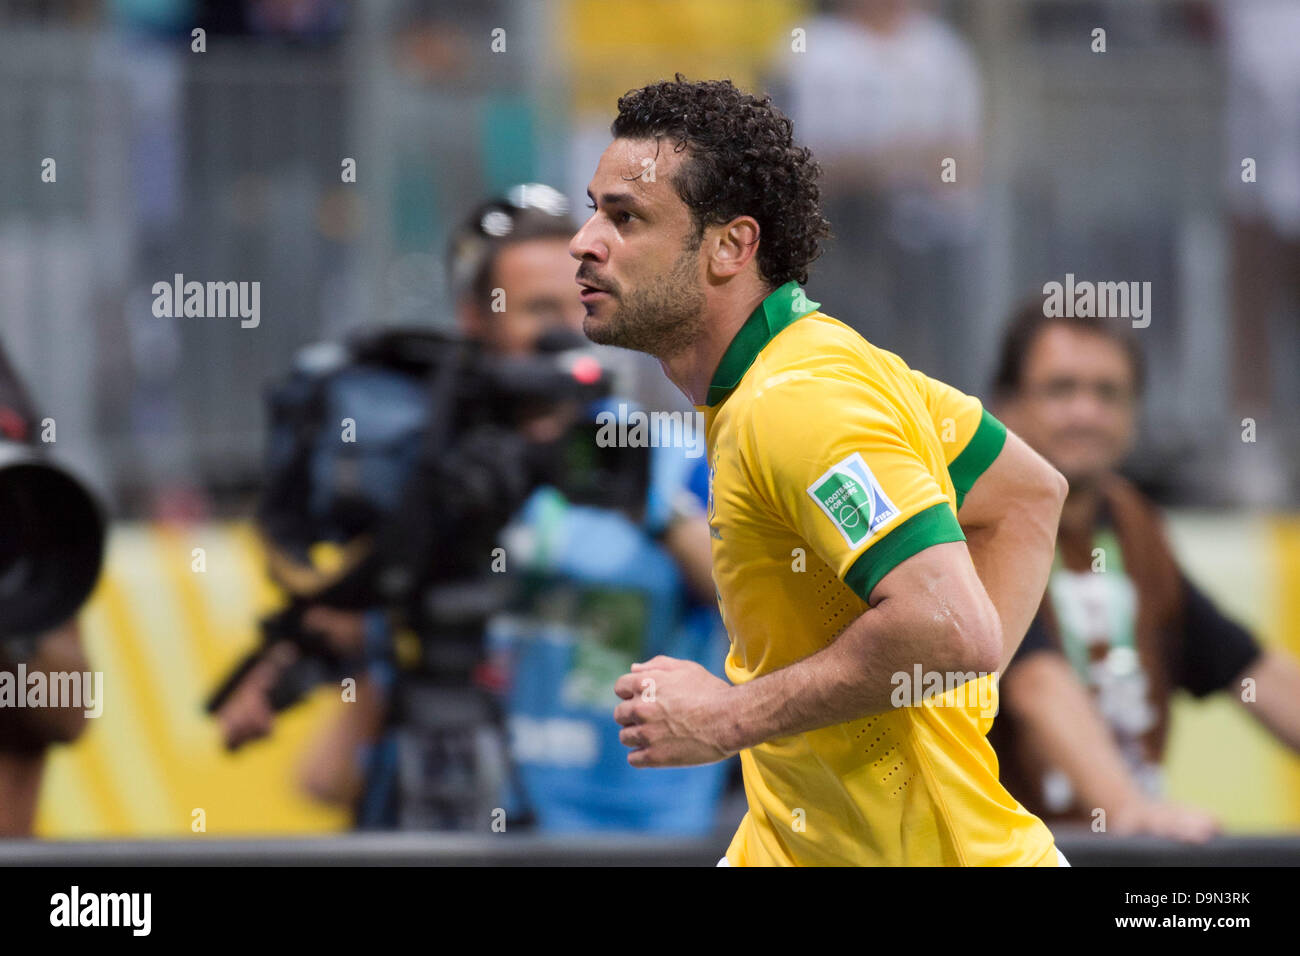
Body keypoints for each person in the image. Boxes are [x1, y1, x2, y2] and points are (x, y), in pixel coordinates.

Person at [571, 76, 1069, 866]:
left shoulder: (797, 402)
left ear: (731, 247)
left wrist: (727, 718)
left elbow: (951, 626)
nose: (584, 241)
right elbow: (1027, 496)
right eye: (594, 209)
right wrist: (937, 695)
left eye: (624, 217)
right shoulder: (801, 369)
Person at [287, 185, 732, 832]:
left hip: (636, 843)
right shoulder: (431, 464)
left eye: (582, 301)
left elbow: (758, 603)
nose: (566, 331)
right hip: (467, 824)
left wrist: (654, 511)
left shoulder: (671, 456)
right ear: (476, 316)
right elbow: (353, 641)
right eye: (540, 309)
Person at [987, 303, 1300, 841]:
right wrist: (1129, 809)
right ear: (1006, 407)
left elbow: (1247, 667)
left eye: (1108, 393)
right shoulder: (978, 520)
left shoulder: (1134, 523)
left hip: (1116, 852)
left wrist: (1132, 825)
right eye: (1061, 390)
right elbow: (1034, 683)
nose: (1086, 413)